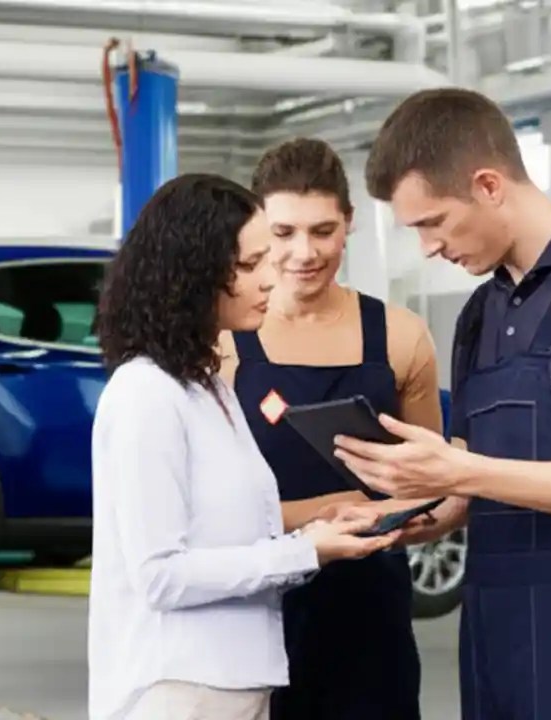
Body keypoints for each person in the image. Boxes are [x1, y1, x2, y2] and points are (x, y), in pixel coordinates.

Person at [335, 87, 551, 719]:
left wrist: (464, 471)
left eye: (433, 222)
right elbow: (483, 477)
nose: (428, 248)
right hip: (495, 630)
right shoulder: (480, 313)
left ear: (490, 185)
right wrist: (426, 512)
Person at [87, 173, 399, 720]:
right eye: (249, 266)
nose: (269, 282)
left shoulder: (208, 388)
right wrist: (307, 551)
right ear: (193, 273)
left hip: (235, 683)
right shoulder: (146, 394)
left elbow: (226, 533)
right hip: (178, 689)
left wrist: (319, 526)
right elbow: (160, 574)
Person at [215, 137, 448, 720]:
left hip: (371, 618)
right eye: (283, 233)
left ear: (349, 224)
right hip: (255, 616)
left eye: (323, 231)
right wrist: (325, 512)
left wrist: (406, 520)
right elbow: (204, 512)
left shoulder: (400, 336)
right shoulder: (220, 344)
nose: (304, 252)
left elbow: (439, 488)